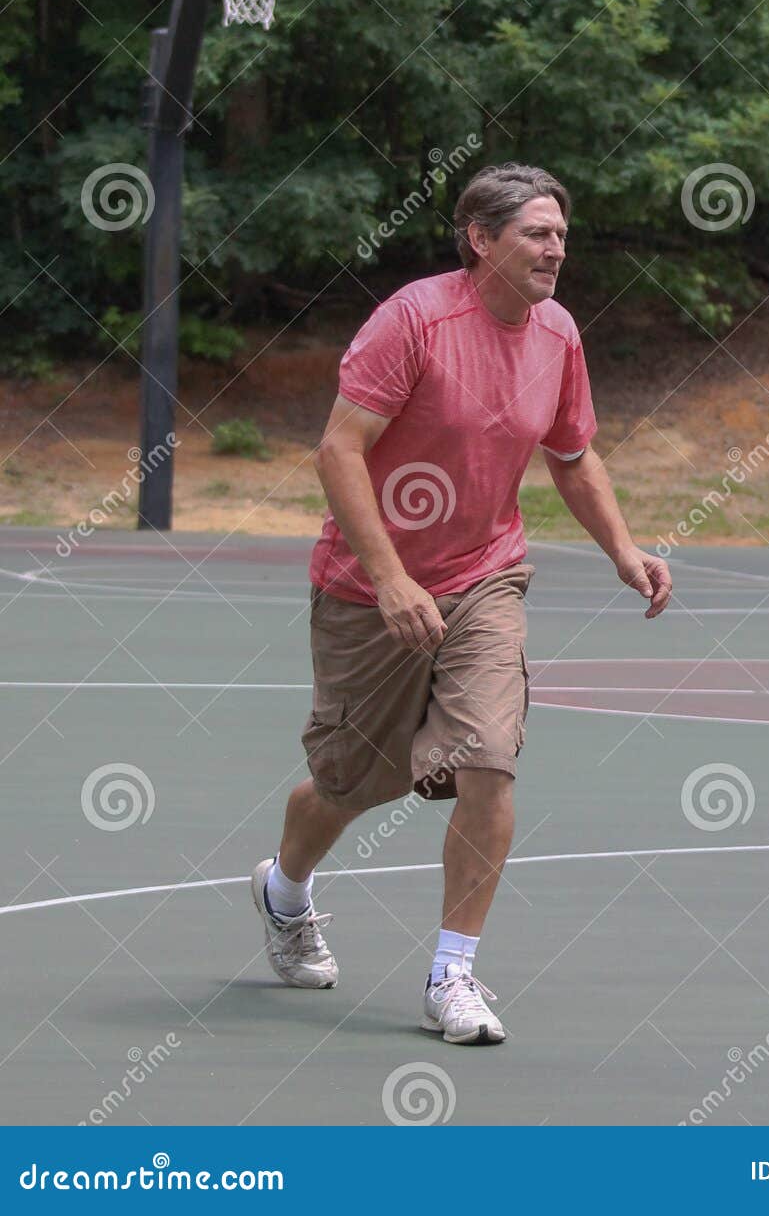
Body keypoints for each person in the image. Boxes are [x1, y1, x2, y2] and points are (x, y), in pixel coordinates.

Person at [251, 162, 672, 1044]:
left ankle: (454, 976)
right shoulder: (412, 321)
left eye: (561, 233)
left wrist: (624, 551)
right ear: (481, 240)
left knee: (488, 757)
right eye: (536, 234)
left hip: (487, 574)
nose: (556, 249)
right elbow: (337, 451)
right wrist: (393, 577)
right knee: (349, 784)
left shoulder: (558, 333)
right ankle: (284, 890)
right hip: (369, 587)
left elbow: (572, 455)